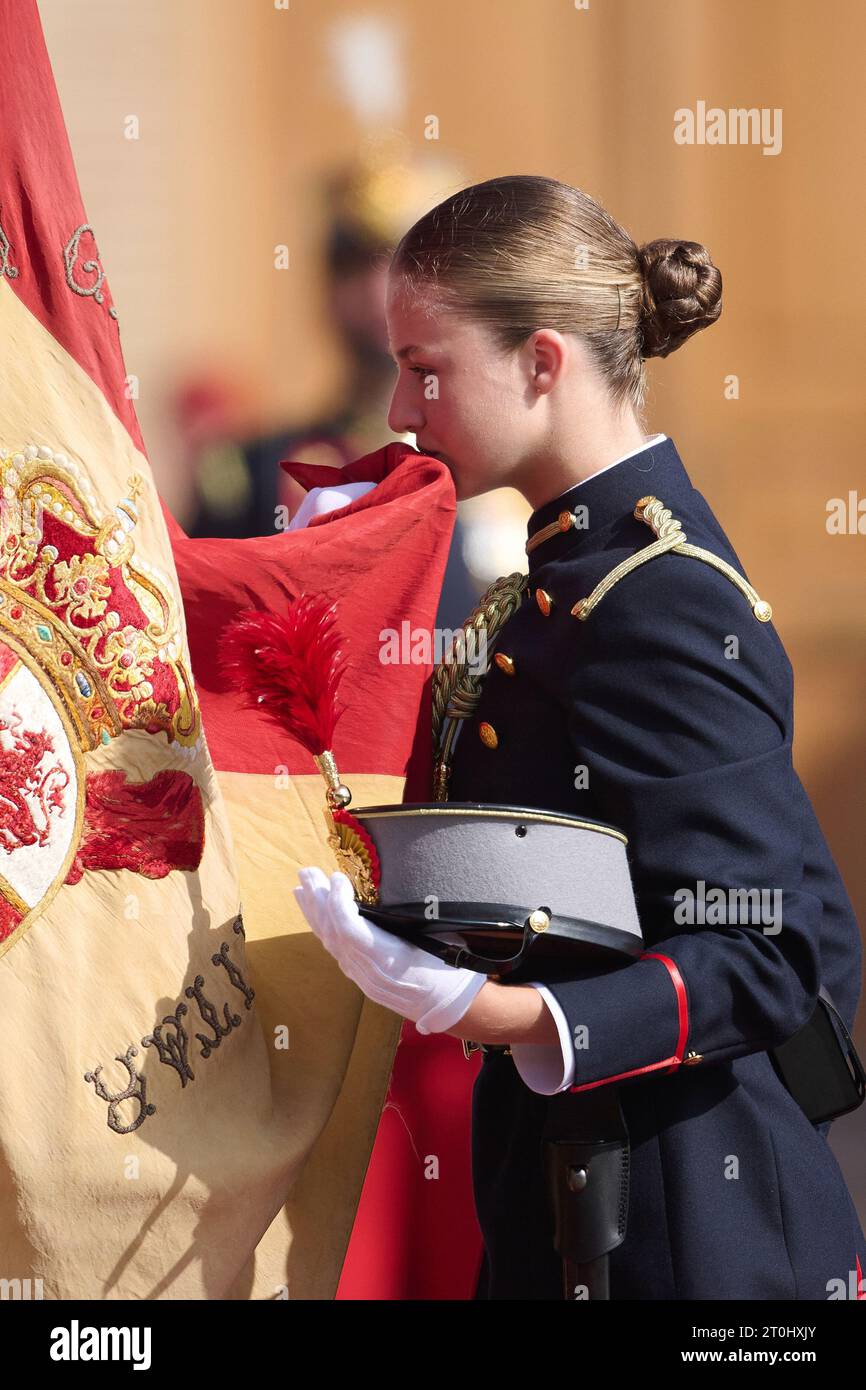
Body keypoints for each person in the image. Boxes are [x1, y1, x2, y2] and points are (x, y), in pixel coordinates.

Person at [293, 174, 866, 1300]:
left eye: (426, 370)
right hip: (572, 1198)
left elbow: (778, 949)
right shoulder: (566, 574)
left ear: (540, 363)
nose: (400, 411)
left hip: (688, 1228)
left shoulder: (657, 598)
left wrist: (501, 1012)